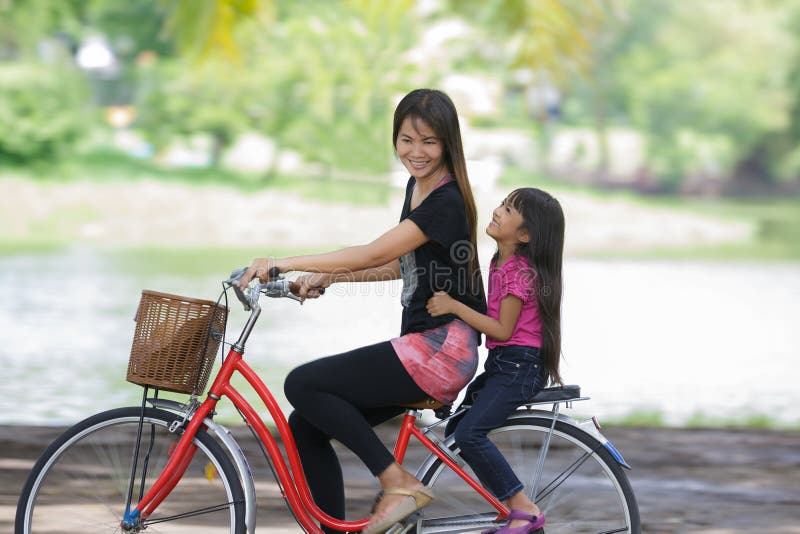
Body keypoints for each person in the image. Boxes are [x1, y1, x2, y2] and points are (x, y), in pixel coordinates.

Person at [238, 88, 487, 534]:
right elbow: (399, 264)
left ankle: (397, 482)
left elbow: (373, 252)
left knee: (301, 383)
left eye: (429, 142)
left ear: (448, 143)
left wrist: (283, 262)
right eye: (406, 140)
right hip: (427, 348)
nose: (416, 152)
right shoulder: (419, 187)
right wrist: (331, 278)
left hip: (440, 351)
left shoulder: (446, 200)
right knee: (307, 425)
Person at [425, 187, 565, 534]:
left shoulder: (519, 272)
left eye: (509, 210)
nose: (498, 210)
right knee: (457, 431)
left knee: (470, 434)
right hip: (503, 363)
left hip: (520, 366)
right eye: (503, 203)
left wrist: (454, 306)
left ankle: (523, 510)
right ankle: (510, 507)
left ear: (525, 235)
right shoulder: (499, 262)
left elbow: (502, 329)